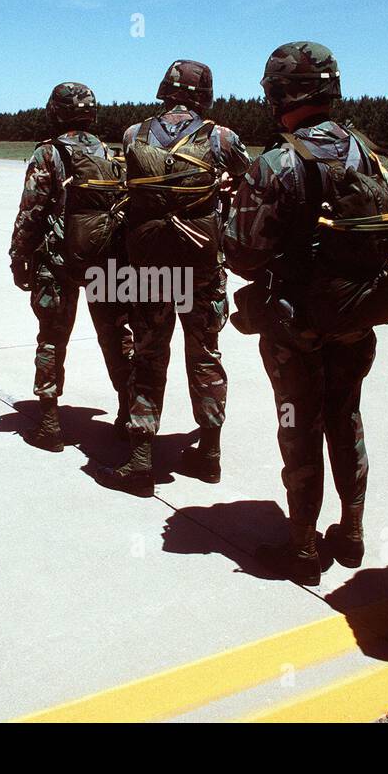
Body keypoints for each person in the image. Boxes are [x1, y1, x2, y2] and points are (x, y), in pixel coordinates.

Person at [224, 41, 388, 585]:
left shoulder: (277, 162)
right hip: (357, 318)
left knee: (298, 429)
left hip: (296, 326)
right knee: (346, 417)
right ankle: (351, 533)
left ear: (281, 93)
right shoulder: (371, 153)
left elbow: (243, 252)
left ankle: (303, 549)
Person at [97, 60, 251, 495]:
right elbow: (251, 182)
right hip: (201, 265)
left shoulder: (133, 135)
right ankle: (210, 453)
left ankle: (140, 459)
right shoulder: (222, 138)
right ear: (205, 94)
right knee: (205, 356)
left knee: (148, 354)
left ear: (165, 89)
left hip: (148, 267)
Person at [10, 82, 133, 451]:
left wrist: (19, 255)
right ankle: (129, 415)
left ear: (55, 112)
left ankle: (49, 423)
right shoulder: (112, 154)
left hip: (58, 262)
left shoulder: (48, 154)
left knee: (51, 338)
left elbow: (31, 210)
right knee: (116, 337)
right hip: (105, 262)